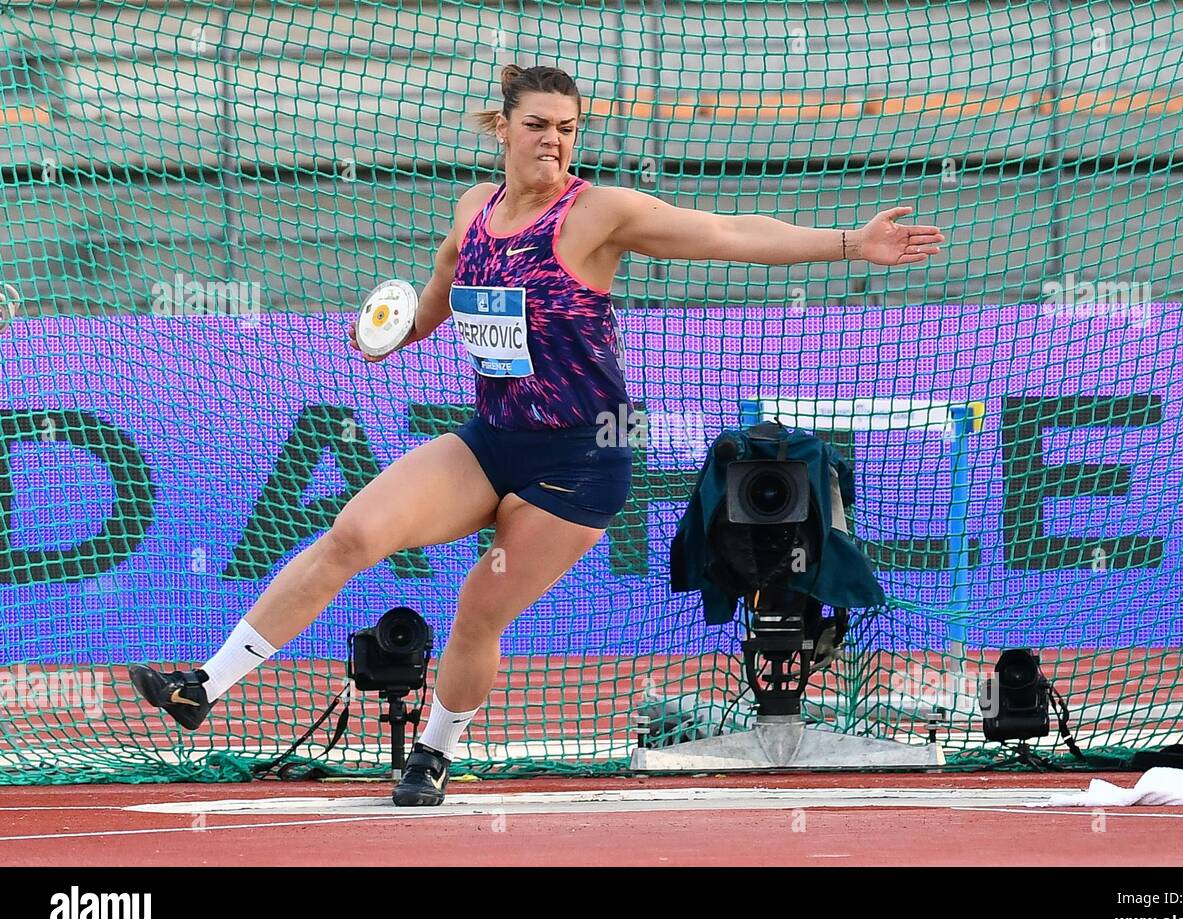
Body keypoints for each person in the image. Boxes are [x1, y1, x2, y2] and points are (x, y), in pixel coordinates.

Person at [129, 63, 945, 806]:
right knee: (351, 534)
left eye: (567, 126)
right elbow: (441, 294)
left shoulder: (595, 215)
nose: (553, 139)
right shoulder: (472, 211)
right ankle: (203, 684)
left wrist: (850, 244)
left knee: (478, 603)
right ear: (504, 129)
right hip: (491, 441)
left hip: (581, 460)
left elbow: (725, 235)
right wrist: (394, 332)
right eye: (538, 124)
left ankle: (434, 755)